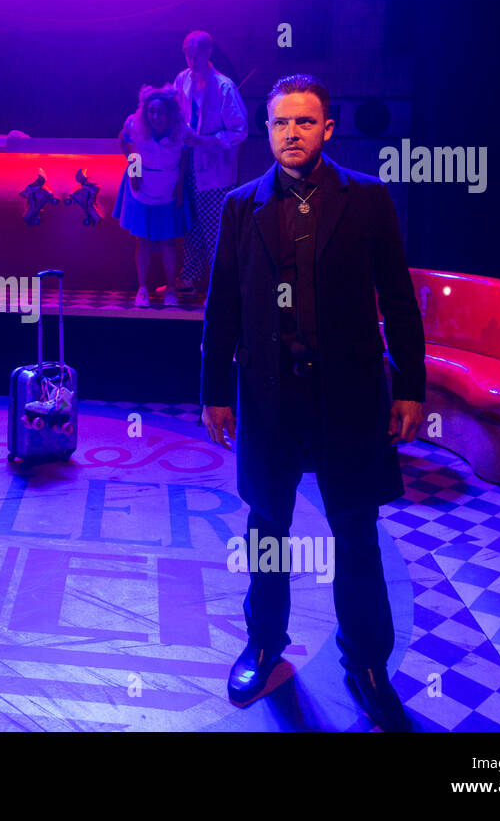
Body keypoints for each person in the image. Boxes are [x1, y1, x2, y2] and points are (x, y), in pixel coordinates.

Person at [200, 75, 425, 731]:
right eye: (279, 123)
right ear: (267, 129)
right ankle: (265, 643)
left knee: (355, 532)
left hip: (350, 397)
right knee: (268, 529)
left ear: (328, 129)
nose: (291, 134)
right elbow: (222, 309)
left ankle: (368, 662)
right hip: (270, 400)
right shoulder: (241, 206)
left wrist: (410, 384)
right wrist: (215, 393)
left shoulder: (369, 199)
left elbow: (399, 298)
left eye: (304, 122)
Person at [169, 30, 248, 298]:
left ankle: (222, 288)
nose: (191, 59)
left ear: (207, 52)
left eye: (195, 53)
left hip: (215, 171)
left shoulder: (224, 87)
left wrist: (205, 140)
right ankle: (189, 278)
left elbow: (240, 130)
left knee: (216, 230)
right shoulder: (182, 79)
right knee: (190, 224)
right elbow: (178, 114)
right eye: (187, 53)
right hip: (188, 164)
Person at [113, 84, 193, 307]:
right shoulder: (134, 125)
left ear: (170, 113)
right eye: (151, 112)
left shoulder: (182, 130)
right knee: (144, 239)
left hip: (168, 186)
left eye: (160, 112)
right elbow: (124, 141)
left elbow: (186, 155)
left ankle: (171, 290)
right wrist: (134, 170)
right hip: (143, 187)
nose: (155, 116)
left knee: (169, 240)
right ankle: (142, 290)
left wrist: (180, 185)